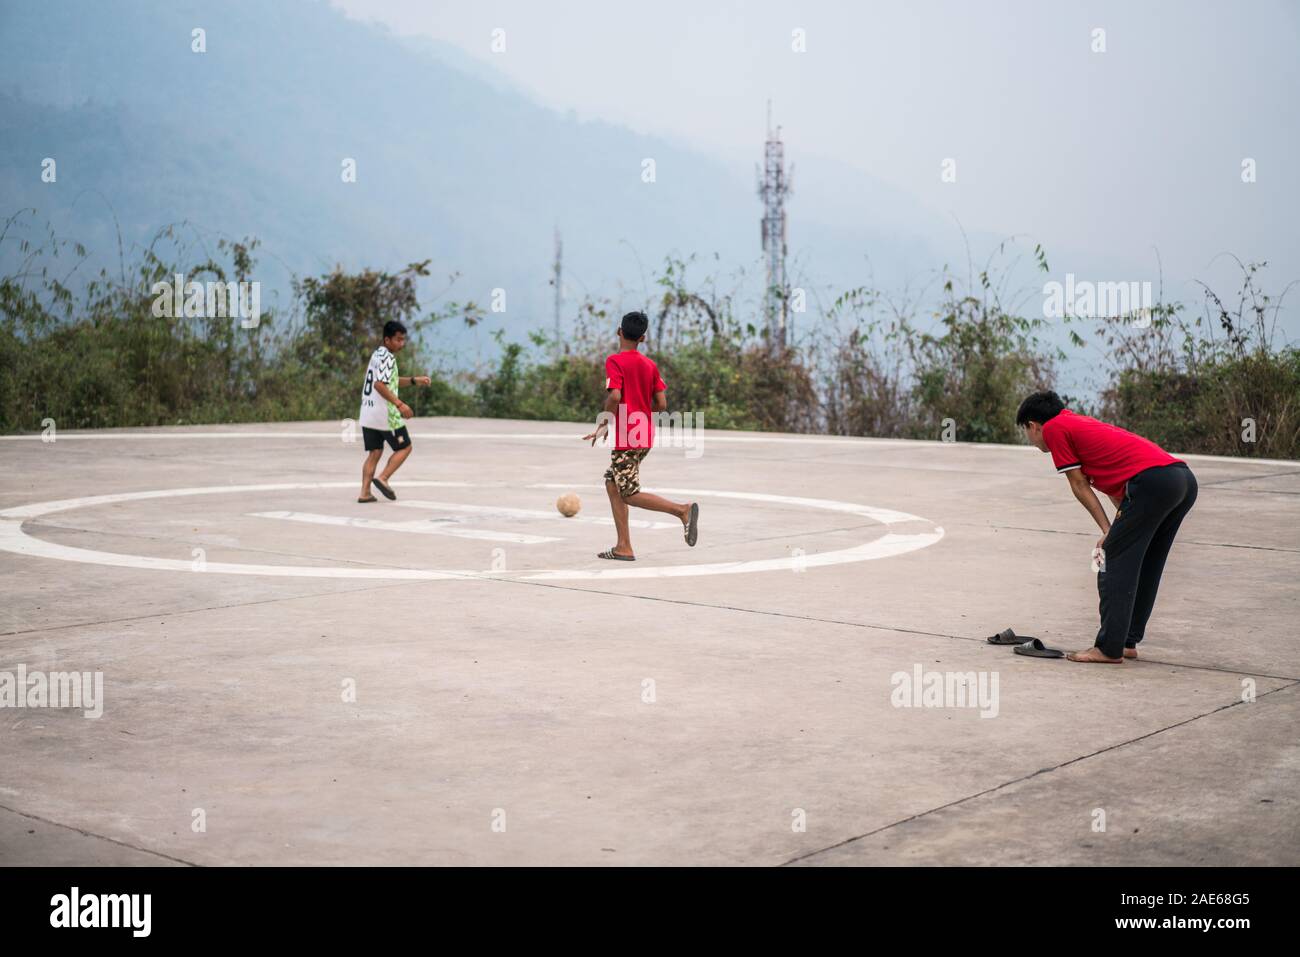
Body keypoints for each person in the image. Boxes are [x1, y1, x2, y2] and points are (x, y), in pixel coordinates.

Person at [1016, 390, 1197, 663]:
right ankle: (1126, 641)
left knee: (1110, 558)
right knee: (1145, 561)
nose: (1031, 441)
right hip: (1180, 480)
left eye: (1026, 432)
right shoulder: (1078, 423)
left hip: (1153, 483)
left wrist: (1107, 531)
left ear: (1033, 425)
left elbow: (1078, 484)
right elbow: (1121, 488)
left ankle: (1109, 648)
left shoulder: (1054, 428)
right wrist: (1118, 527)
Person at [582, 311, 699, 560]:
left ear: (618, 331)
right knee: (613, 482)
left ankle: (682, 510)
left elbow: (614, 396)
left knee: (629, 493)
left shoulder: (615, 361)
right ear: (643, 338)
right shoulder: (650, 365)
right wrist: (641, 410)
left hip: (628, 436)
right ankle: (623, 546)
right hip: (644, 432)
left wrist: (604, 421)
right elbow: (662, 403)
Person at [357, 320, 430, 503]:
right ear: (387, 340)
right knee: (405, 447)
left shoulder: (377, 355)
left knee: (375, 452)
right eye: (398, 340)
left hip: (368, 412)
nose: (401, 344)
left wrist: (414, 380)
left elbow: (391, 381)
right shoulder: (388, 358)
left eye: (403, 340)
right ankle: (383, 477)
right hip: (385, 415)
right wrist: (400, 404)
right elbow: (380, 385)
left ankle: (365, 493)